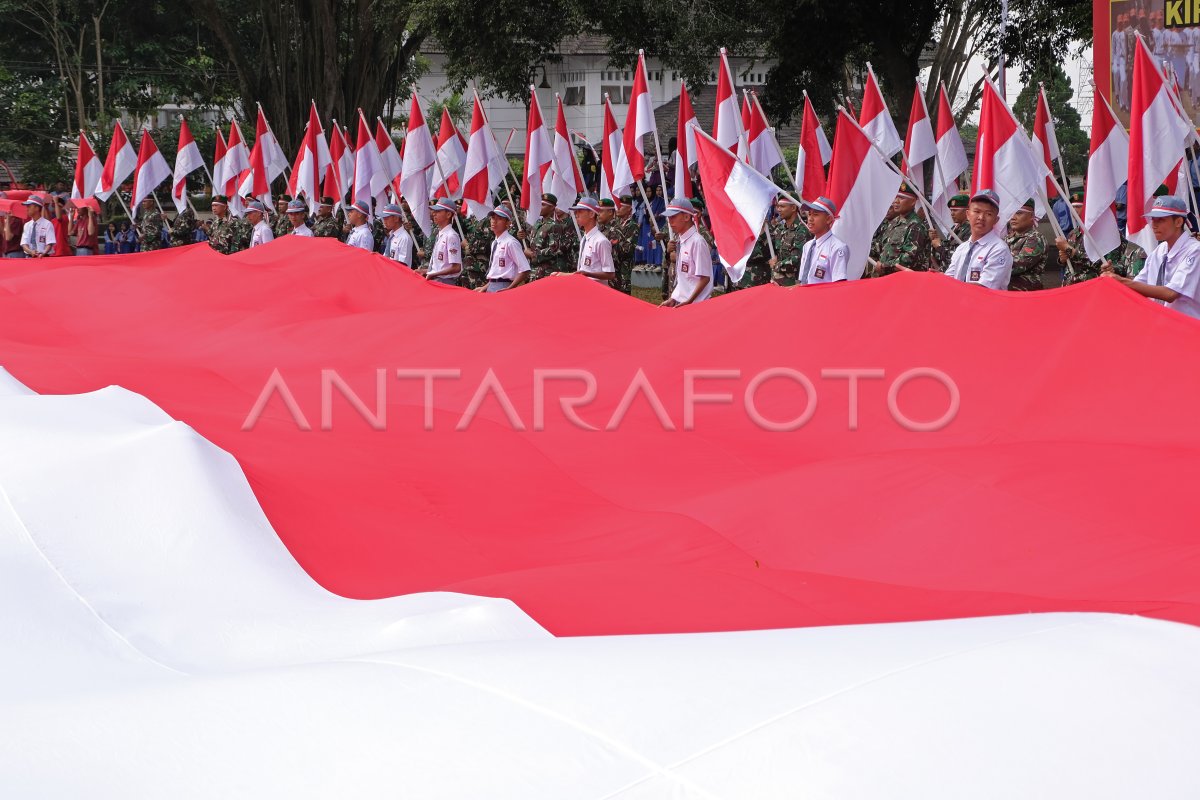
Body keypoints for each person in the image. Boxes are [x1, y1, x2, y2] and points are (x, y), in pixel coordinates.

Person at [1105, 195, 1200, 318]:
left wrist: (1121, 281)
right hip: (1162, 324)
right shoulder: (1160, 250)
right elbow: (1138, 285)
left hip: (1189, 328)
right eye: (1153, 219)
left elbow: (1170, 293)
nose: (1154, 225)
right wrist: (1114, 278)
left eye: (1161, 220)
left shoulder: (1195, 250)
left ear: (1178, 222)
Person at [941, 189, 1013, 289]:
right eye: (976, 211)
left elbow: (983, 288)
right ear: (968, 214)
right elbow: (949, 278)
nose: (981, 217)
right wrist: (936, 278)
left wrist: (950, 284)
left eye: (988, 214)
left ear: (996, 220)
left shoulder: (999, 249)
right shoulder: (962, 248)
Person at [660, 198, 712, 306]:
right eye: (669, 218)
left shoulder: (697, 242)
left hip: (697, 305)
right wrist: (674, 298)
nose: (670, 222)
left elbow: (705, 278)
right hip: (685, 303)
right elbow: (684, 278)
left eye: (673, 217)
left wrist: (689, 301)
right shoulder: (681, 240)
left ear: (687, 217)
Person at [875, 182, 932, 275]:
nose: (896, 201)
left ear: (913, 201)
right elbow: (881, 248)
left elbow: (909, 259)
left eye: (901, 198)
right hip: (886, 279)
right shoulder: (893, 222)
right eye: (895, 197)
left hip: (904, 280)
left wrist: (884, 266)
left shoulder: (915, 226)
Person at [797, 196, 850, 285]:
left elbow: (839, 284)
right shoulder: (807, 246)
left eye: (816, 214)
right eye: (809, 214)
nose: (810, 219)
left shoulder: (837, 247)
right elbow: (802, 282)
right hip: (805, 296)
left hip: (825, 297)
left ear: (828, 219)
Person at [480, 205, 529, 292]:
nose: (494, 221)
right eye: (492, 218)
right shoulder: (495, 242)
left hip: (504, 285)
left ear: (508, 223)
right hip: (492, 285)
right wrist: (484, 288)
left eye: (499, 219)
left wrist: (509, 288)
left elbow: (524, 269)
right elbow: (497, 273)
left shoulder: (511, 242)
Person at [524, 194, 571, 280]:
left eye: (543, 205)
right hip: (534, 272)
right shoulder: (537, 223)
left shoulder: (555, 226)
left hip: (547, 273)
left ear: (552, 208)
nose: (540, 207)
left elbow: (554, 250)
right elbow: (532, 242)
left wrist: (532, 254)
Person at [767, 195, 812, 286]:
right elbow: (768, 246)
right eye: (778, 206)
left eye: (782, 206)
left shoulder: (801, 231)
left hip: (792, 285)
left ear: (793, 208)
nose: (779, 209)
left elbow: (796, 260)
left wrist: (776, 265)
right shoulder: (780, 228)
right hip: (776, 283)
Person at [571, 196, 615, 284]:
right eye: (576, 211)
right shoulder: (584, 238)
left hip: (596, 290)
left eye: (580, 211)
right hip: (583, 287)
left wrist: (588, 274)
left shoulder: (601, 241)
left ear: (591, 214)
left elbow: (610, 274)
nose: (576, 214)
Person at [1006, 199, 1046, 291]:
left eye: (1019, 213)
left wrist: (992, 263)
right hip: (1008, 292)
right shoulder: (1007, 238)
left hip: (1026, 293)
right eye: (1012, 213)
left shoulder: (1035, 239)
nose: (1013, 217)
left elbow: (1019, 265)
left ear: (1031, 216)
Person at [422, 199, 463, 285]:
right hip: (437, 279)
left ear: (448, 214)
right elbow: (441, 266)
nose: (434, 214)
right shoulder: (440, 234)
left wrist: (434, 274)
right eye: (434, 211)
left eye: (438, 211)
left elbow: (456, 267)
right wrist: (424, 271)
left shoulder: (451, 236)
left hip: (444, 282)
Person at [606, 195, 639, 294]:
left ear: (629, 209)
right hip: (612, 267)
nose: (618, 209)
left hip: (623, 268)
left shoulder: (632, 226)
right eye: (617, 206)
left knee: (623, 294)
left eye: (621, 207)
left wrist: (614, 243)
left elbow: (627, 249)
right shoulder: (615, 224)